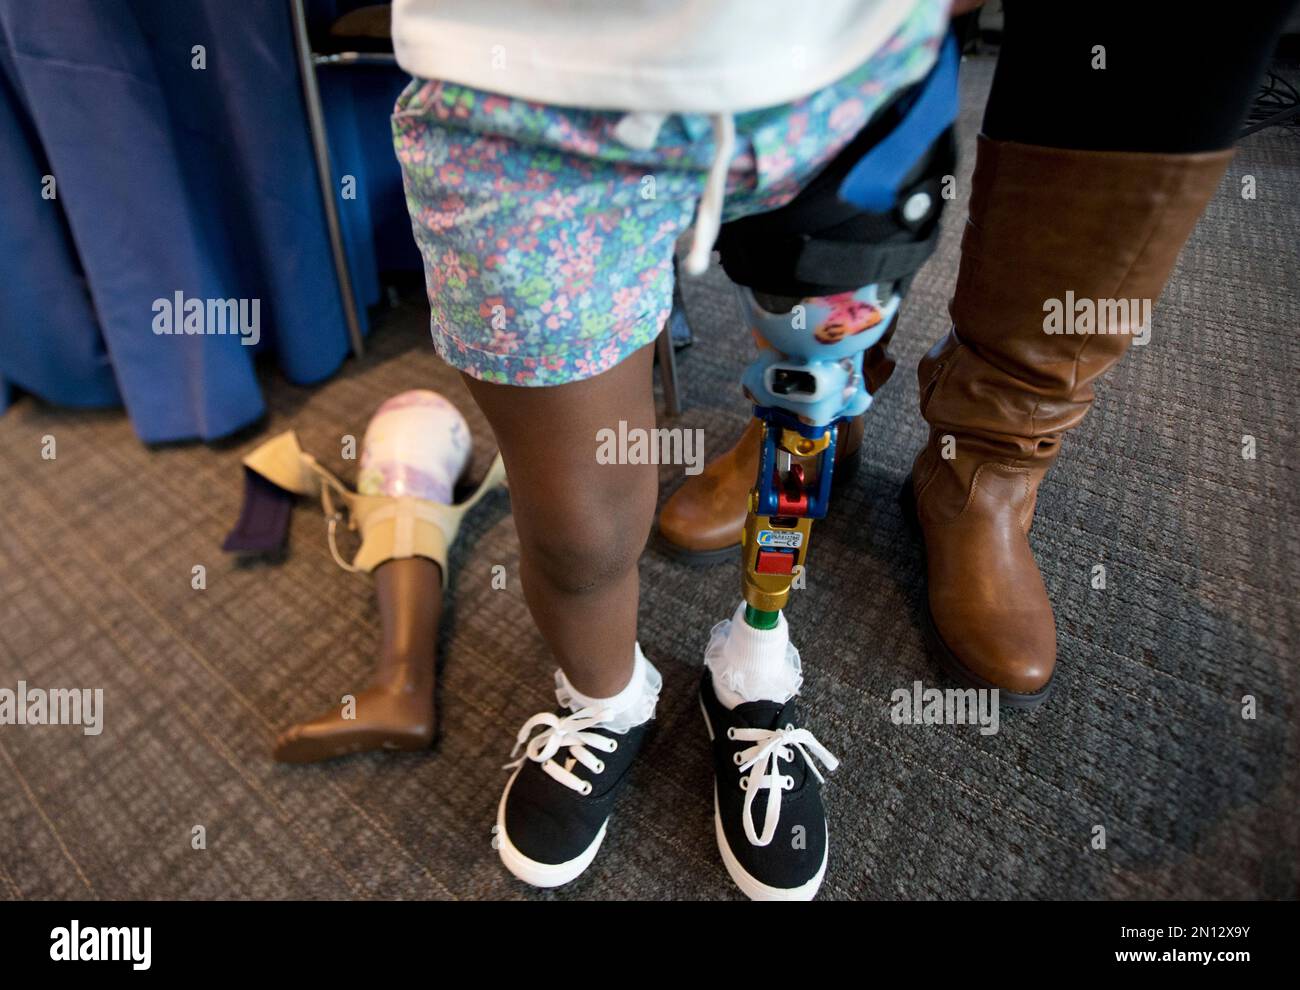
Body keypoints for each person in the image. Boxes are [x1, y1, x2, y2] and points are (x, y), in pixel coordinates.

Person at [389, 0, 1296, 898]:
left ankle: (755, 665)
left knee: (805, 430)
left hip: (837, 77)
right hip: (510, 88)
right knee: (581, 528)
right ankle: (605, 698)